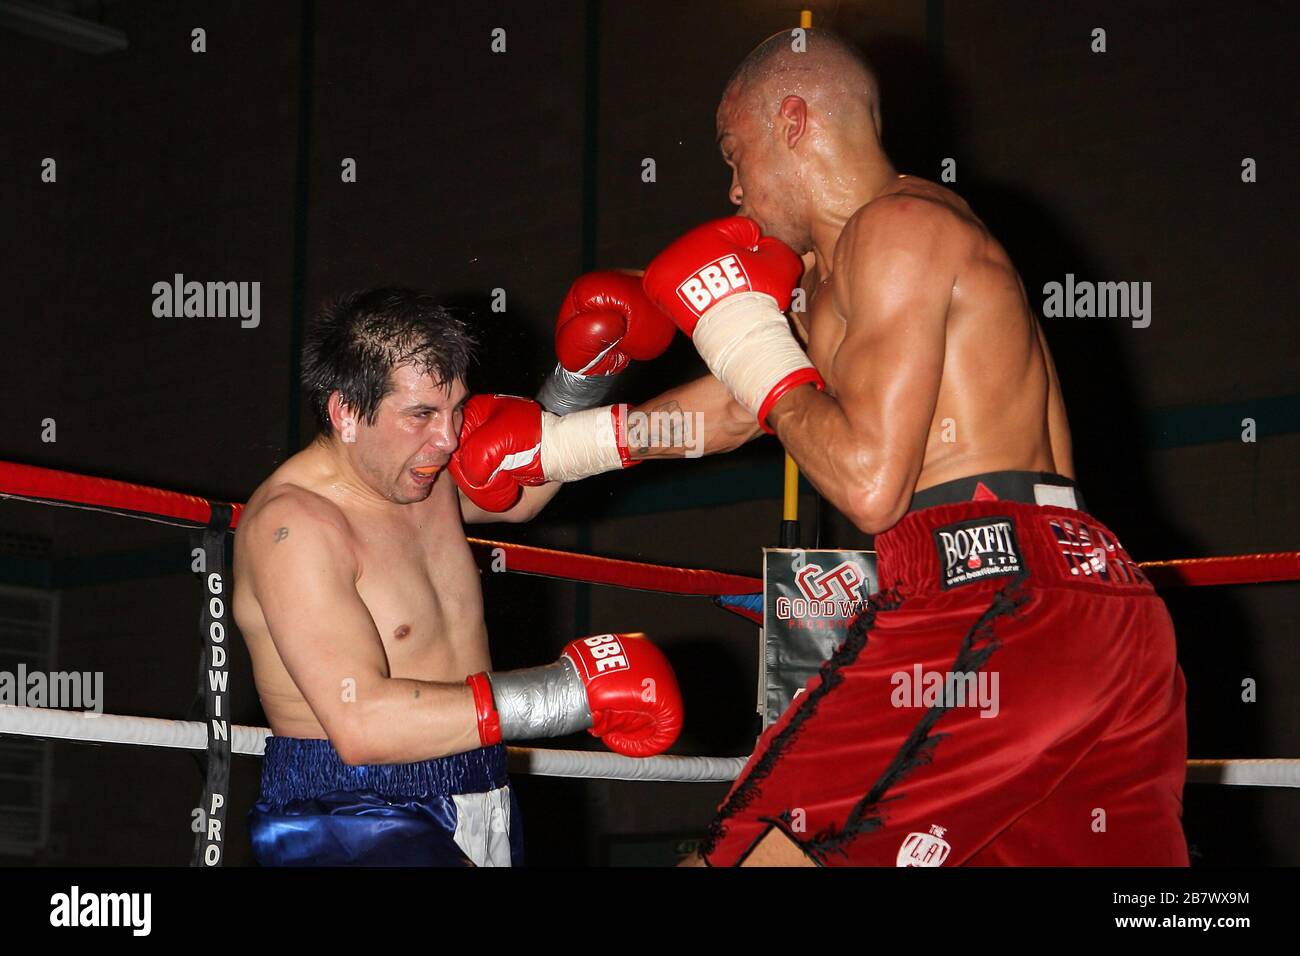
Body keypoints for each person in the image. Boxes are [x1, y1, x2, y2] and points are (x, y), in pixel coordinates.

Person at [623, 29, 1186, 866]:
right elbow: (751, 406)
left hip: (990, 592)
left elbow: (866, 482)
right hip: (1098, 604)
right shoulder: (849, 270)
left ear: (792, 120)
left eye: (733, 153)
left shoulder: (898, 227)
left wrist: (748, 343)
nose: (732, 188)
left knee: (747, 855)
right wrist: (565, 449)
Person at [233, 288, 682, 866]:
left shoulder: (418, 469)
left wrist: (584, 376)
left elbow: (518, 492)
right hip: (351, 811)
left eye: (455, 410)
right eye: (420, 414)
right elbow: (361, 721)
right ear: (346, 412)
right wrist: (567, 695)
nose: (448, 439)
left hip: (478, 778)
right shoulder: (293, 527)